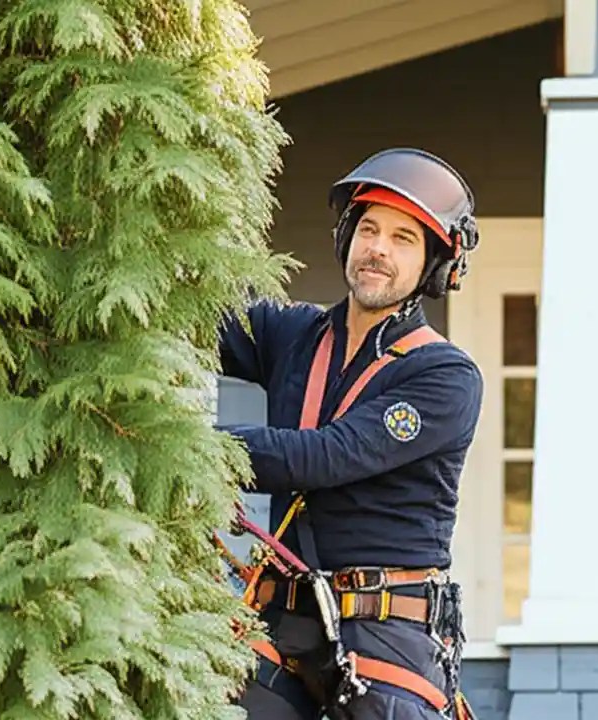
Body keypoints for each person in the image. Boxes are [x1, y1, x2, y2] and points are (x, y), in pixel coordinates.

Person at [216, 147, 484, 720]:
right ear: (345, 239)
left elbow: (327, 456)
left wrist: (199, 451)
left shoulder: (446, 377)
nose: (378, 250)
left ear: (435, 263)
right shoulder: (294, 335)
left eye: (402, 238)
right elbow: (188, 311)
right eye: (368, 229)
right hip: (283, 627)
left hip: (389, 640)